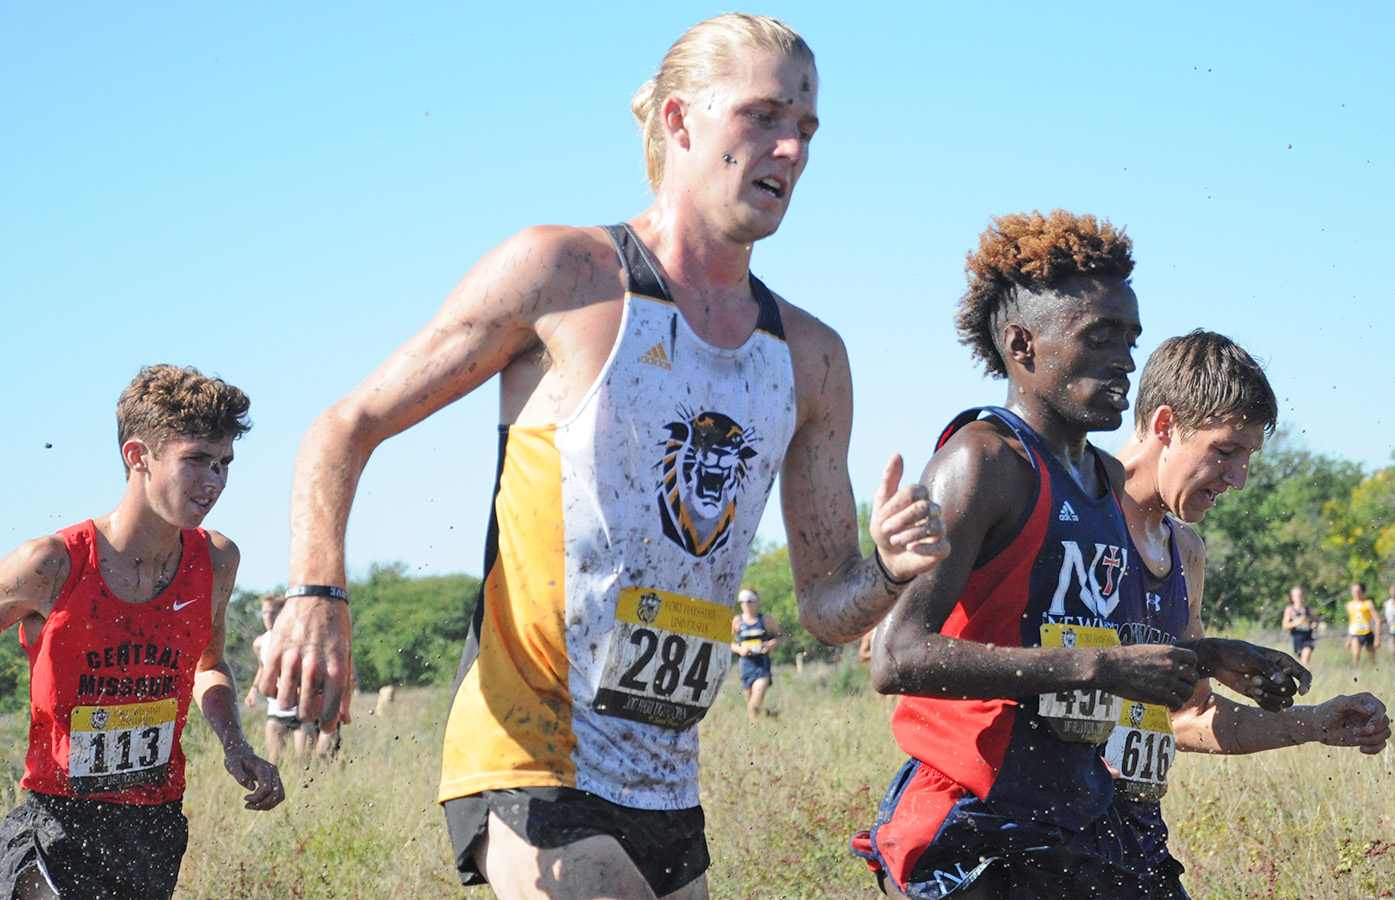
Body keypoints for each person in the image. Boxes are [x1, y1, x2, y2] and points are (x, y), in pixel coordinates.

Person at [257, 15, 947, 900]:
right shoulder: (567, 274)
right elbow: (344, 426)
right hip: (526, 748)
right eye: (763, 116)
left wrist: (887, 572)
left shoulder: (810, 357)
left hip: (667, 779)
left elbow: (822, 605)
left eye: (807, 129)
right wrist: (318, 595)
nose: (791, 148)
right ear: (678, 121)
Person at [852, 212, 1305, 899]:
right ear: (1022, 345)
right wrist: (1099, 666)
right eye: (1100, 337)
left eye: (1130, 339)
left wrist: (1214, 658)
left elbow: (1101, 642)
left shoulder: (1105, 485)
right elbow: (896, 656)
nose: (1124, 359)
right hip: (975, 826)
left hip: (1084, 816)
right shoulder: (983, 462)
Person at [1111, 330, 1390, 898]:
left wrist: (1312, 723)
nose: (1238, 478)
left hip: (1133, 838)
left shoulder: (1185, 551)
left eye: (1247, 457)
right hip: (1033, 833)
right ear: (1165, 425)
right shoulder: (1068, 515)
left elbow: (1187, 719)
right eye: (1225, 450)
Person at [0, 365, 284, 900]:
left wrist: (235, 742)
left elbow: (209, 663)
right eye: (196, 460)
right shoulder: (53, 563)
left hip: (153, 828)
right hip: (57, 825)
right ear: (138, 457)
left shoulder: (216, 561)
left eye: (224, 463)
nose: (214, 482)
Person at [245, 594, 317, 764]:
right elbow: (263, 668)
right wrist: (253, 689)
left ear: (283, 614)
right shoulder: (260, 643)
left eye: (273, 613)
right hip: (276, 710)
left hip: (301, 711)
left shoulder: (300, 639)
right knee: (274, 763)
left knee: (304, 763)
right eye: (264, 613)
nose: (268, 617)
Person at [731, 588, 783, 720]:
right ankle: (771, 716)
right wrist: (739, 649)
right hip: (745, 666)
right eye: (742, 602)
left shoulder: (765, 620)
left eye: (749, 601)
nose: (745, 605)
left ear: (756, 602)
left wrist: (772, 644)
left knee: (753, 707)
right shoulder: (737, 621)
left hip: (761, 666)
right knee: (752, 705)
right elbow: (725, 642)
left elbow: (782, 636)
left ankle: (755, 733)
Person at [1280, 586, 1318, 666]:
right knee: (1301, 664)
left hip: (1308, 639)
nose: (1299, 598)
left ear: (1304, 596)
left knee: (1305, 659)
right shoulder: (1290, 610)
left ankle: (1307, 675)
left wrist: (1314, 624)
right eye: (1296, 596)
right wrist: (1296, 622)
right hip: (1297, 640)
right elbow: (1284, 626)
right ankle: (1306, 675)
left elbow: (1316, 621)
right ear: (1292, 597)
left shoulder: (1309, 610)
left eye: (1300, 595)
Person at [1345, 582, 1380, 668]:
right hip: (1356, 633)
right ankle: (1356, 673)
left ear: (1362, 591)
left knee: (1372, 658)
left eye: (1358, 591)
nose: (1356, 593)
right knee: (1356, 655)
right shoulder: (1349, 605)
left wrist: (1377, 639)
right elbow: (1351, 622)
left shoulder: (1368, 603)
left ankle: (1373, 672)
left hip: (1367, 632)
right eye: (1353, 591)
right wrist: (1348, 639)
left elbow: (1377, 620)